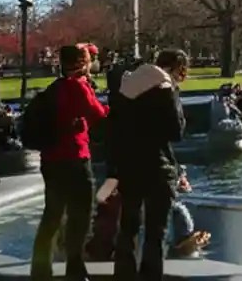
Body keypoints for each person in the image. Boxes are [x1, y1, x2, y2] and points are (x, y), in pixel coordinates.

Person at [109, 49, 189, 281]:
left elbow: (113, 133)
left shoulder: (125, 90)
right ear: (175, 68)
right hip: (158, 166)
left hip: (129, 166)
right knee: (156, 232)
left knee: (129, 227)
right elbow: (176, 132)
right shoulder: (165, 90)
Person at [31, 44, 109, 281]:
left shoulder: (55, 88)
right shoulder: (78, 87)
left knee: (52, 214)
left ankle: (40, 271)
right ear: (82, 62)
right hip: (74, 157)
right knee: (80, 215)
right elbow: (99, 115)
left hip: (51, 159)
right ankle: (75, 269)